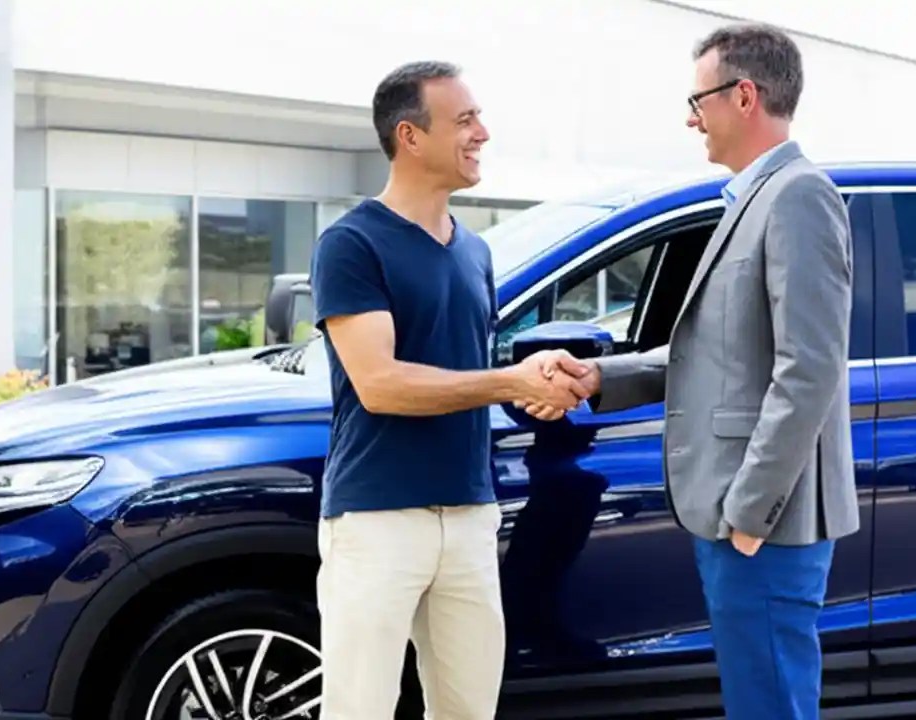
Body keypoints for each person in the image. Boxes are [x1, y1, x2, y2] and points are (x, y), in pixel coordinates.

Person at [524, 23, 859, 720]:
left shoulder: (798, 196)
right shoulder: (750, 198)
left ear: (743, 95)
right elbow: (715, 354)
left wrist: (748, 513)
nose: (690, 117)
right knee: (756, 700)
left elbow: (809, 370)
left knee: (769, 705)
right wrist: (598, 378)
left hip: (762, 519)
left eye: (697, 99)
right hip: (735, 515)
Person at [310, 60, 589, 719]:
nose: (482, 133)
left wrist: (538, 385)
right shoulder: (351, 244)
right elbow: (379, 384)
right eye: (465, 120)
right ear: (410, 136)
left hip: (468, 514)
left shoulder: (476, 252)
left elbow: (461, 371)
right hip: (378, 518)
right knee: (361, 710)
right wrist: (508, 382)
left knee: (468, 712)